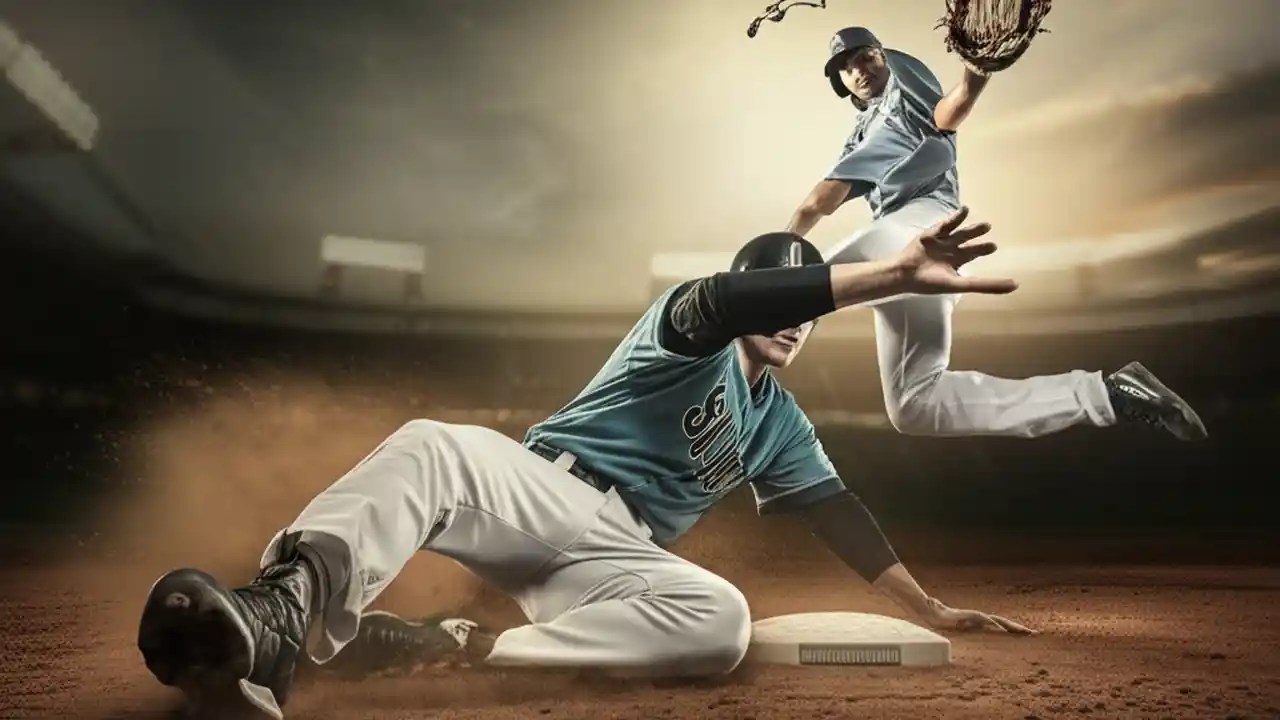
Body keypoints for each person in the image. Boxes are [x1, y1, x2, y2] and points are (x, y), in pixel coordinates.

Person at [137, 209, 1027, 719]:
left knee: (720, 620)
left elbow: (840, 514)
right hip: (542, 490)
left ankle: (463, 647)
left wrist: (931, 606)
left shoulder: (782, 422)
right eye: (786, 297)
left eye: (808, 310)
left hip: (612, 560)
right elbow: (729, 296)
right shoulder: (691, 328)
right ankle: (277, 617)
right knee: (432, 444)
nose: (795, 320)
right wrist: (884, 277)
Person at [786, 27, 1207, 441]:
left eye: (864, 56)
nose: (858, 69)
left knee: (800, 288)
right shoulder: (860, 135)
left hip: (920, 228)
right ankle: (1109, 394)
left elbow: (948, 113)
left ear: (882, 55)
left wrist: (975, 73)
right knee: (914, 405)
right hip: (917, 254)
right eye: (845, 67)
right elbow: (819, 201)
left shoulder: (902, 89)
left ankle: (736, 377)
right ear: (841, 83)